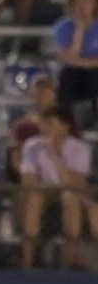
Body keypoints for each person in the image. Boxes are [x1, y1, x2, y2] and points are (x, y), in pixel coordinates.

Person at [19, 105, 96, 270]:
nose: (45, 128)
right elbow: (29, 182)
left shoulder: (80, 149)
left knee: (70, 198)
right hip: (44, 191)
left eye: (51, 124)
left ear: (65, 127)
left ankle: (70, 261)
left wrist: (55, 154)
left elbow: (76, 184)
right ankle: (27, 262)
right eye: (44, 123)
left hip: (72, 193)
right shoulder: (31, 146)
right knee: (34, 197)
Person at [53, 0, 98, 127]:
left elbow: (72, 59)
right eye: (77, 1)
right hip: (74, 75)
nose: (81, 5)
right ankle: (65, 123)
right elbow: (68, 58)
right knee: (67, 75)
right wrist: (80, 30)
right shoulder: (63, 26)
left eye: (86, 1)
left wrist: (80, 62)